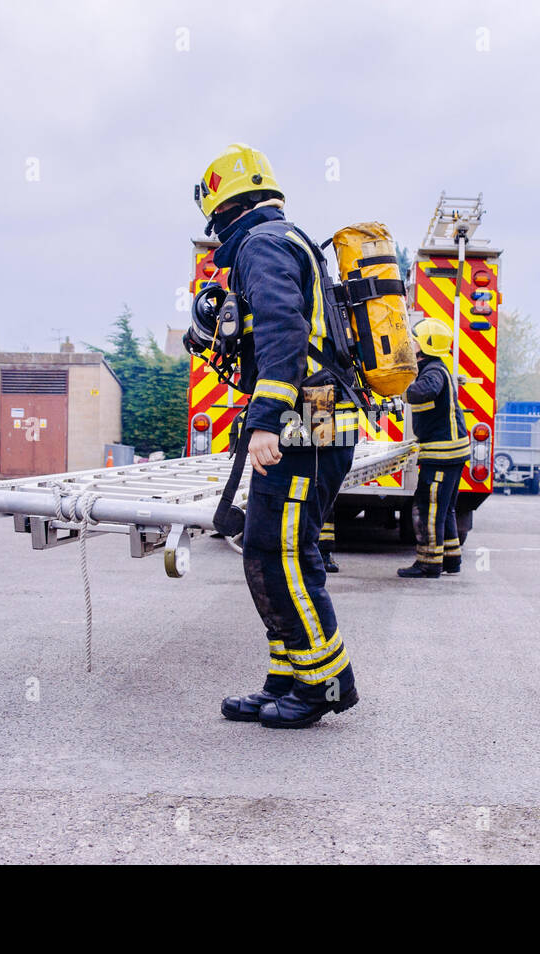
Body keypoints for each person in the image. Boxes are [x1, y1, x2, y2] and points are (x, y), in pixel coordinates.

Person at [194, 143, 360, 729]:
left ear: (221, 209)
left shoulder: (262, 245)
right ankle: (286, 678)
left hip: (307, 419)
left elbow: (284, 331)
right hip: (317, 414)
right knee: (281, 547)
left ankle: (323, 685)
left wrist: (266, 419)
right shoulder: (285, 239)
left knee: (278, 550)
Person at [398, 317, 470, 578]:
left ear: (426, 345)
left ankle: (429, 563)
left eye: (415, 339)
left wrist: (398, 386)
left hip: (442, 456)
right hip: (449, 453)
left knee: (429, 507)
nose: (411, 342)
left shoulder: (434, 372)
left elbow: (422, 392)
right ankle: (451, 559)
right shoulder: (434, 367)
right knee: (446, 508)